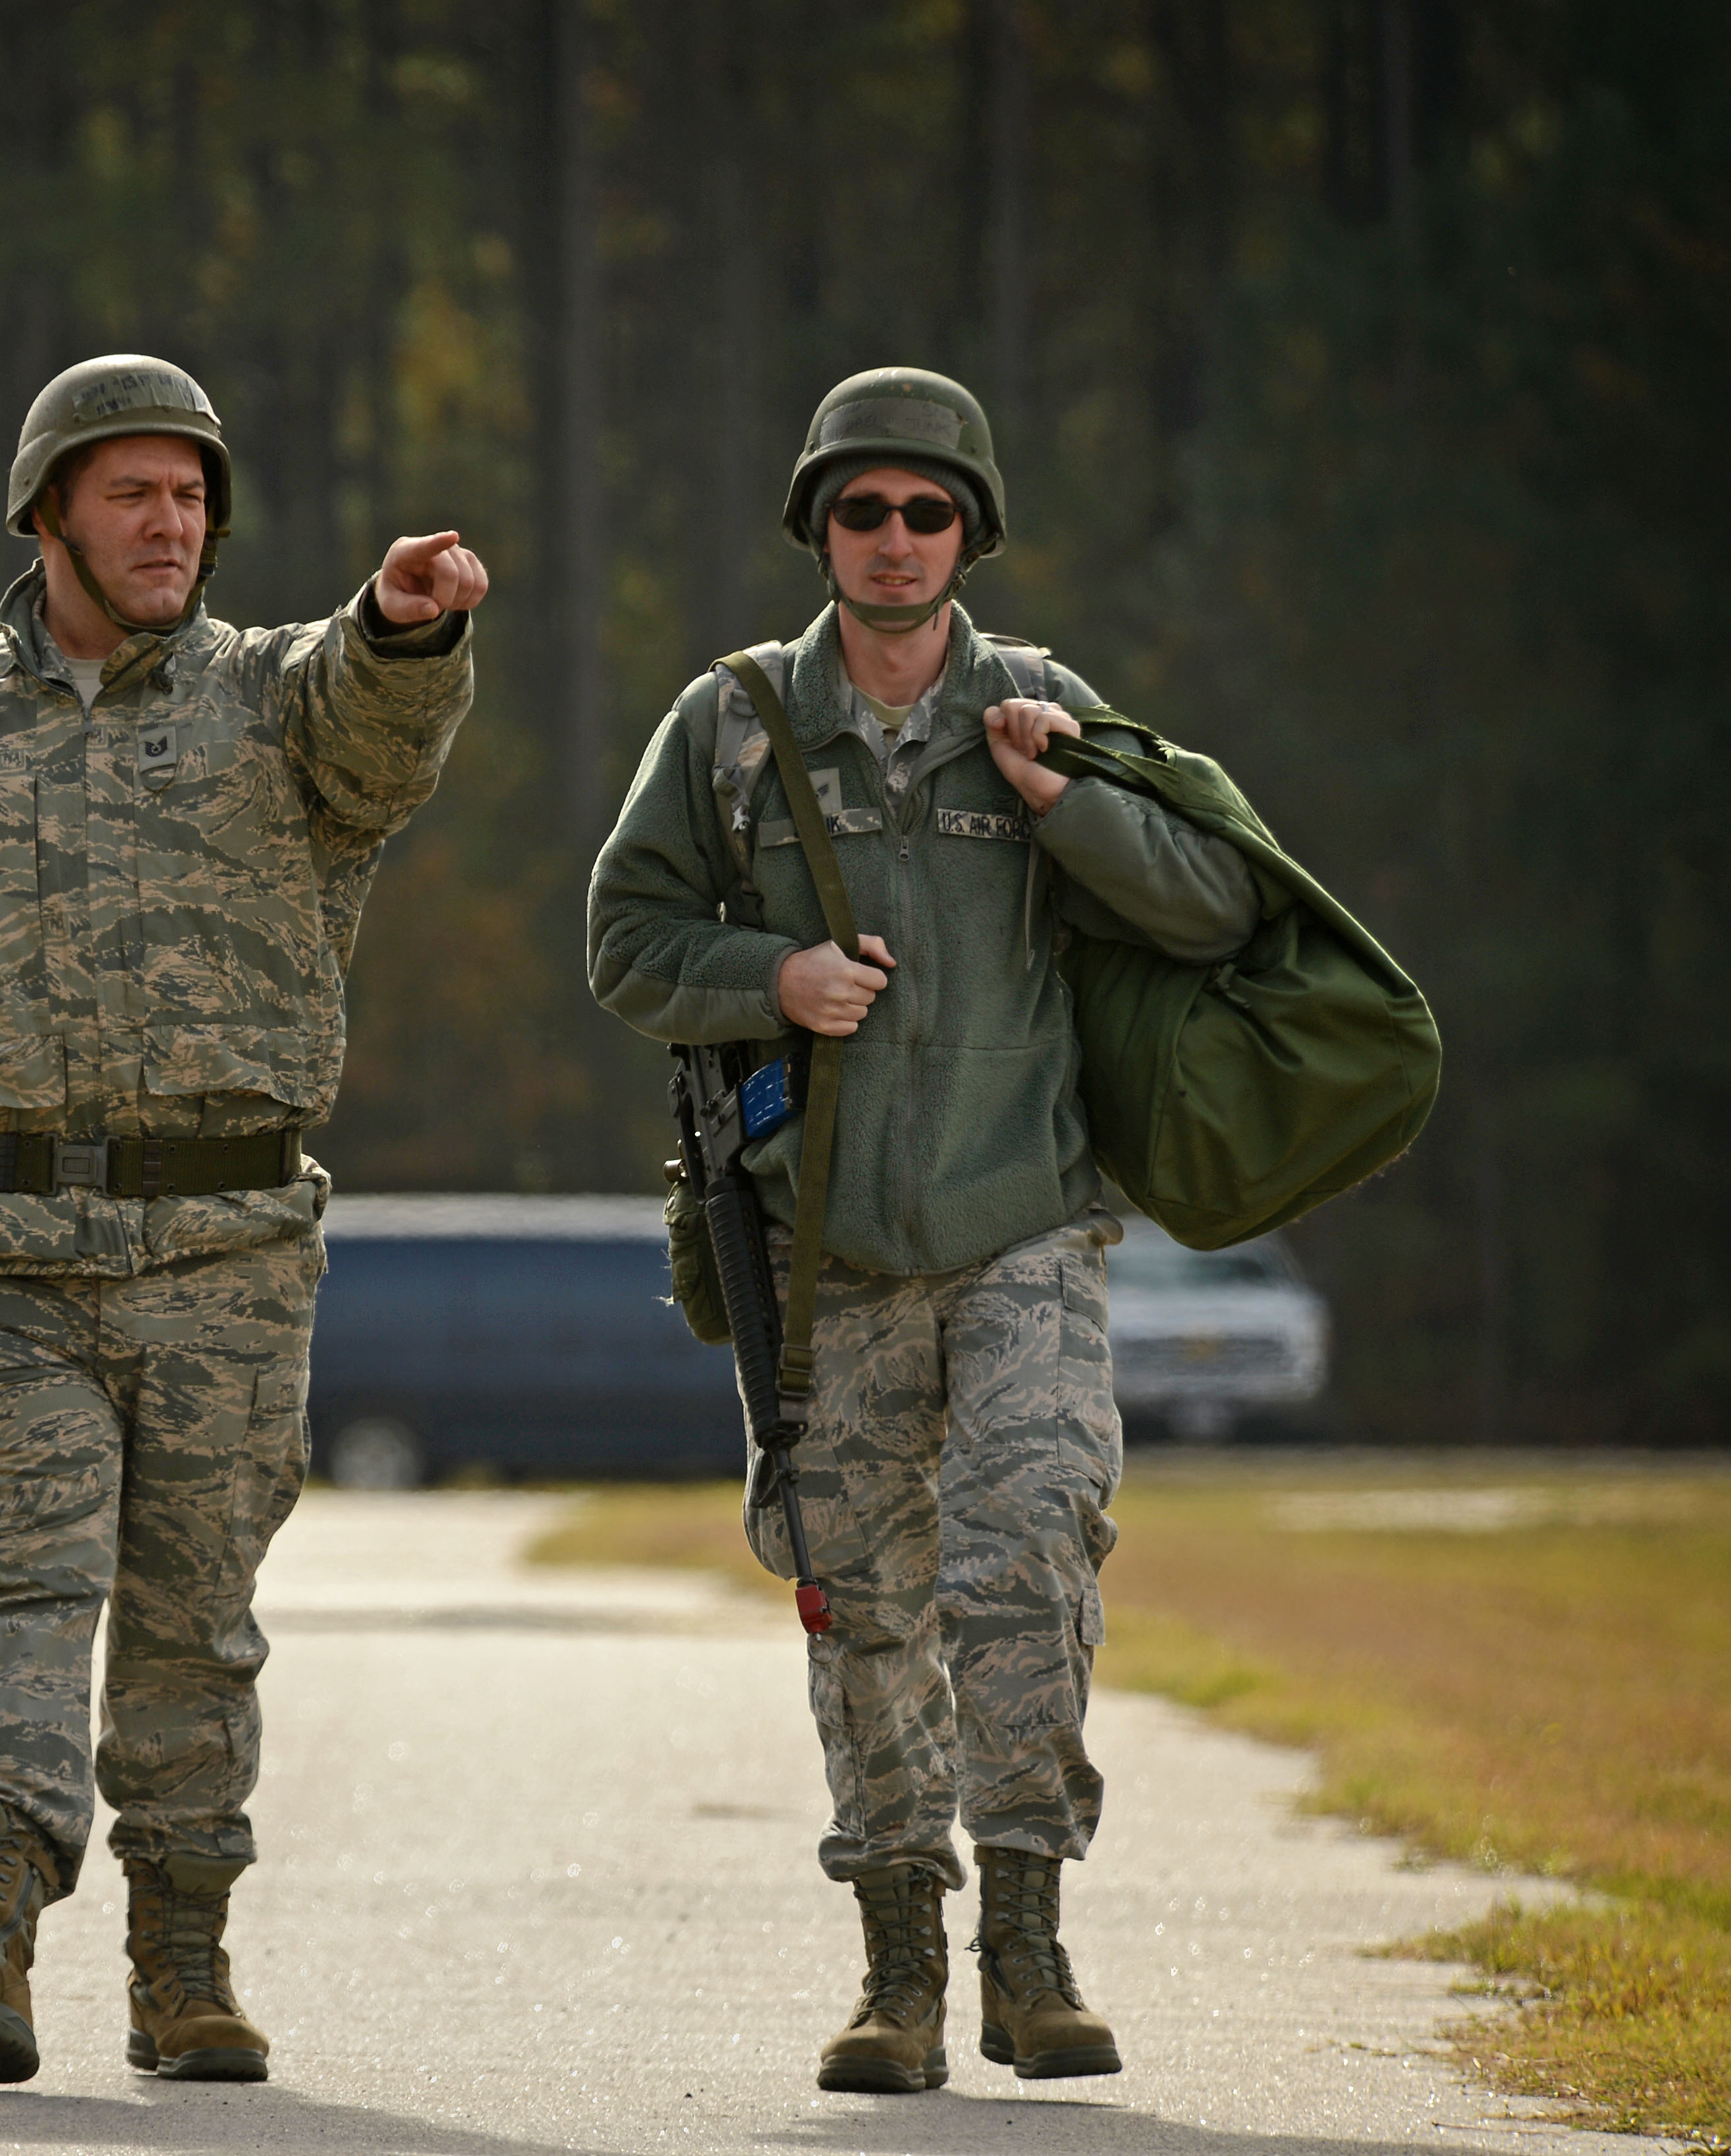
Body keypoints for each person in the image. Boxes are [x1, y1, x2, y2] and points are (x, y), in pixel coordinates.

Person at [0, 356, 485, 2086]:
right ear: (48, 511)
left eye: (194, 494)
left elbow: (379, 724)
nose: (173, 521)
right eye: (133, 492)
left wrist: (406, 625)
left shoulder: (284, 696)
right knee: (20, 1588)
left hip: (228, 1252)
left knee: (197, 1617)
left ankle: (182, 1957)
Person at [587, 369, 1261, 2094]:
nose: (894, 540)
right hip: (827, 1250)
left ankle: (1029, 1948)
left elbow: (1212, 901)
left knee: (1026, 1553)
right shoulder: (731, 723)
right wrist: (774, 978)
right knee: (862, 1598)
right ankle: (899, 1968)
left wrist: (1066, 803)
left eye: (928, 512)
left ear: (972, 533)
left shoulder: (1038, 703)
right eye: (862, 510)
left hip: (1023, 1220)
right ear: (819, 526)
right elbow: (623, 939)